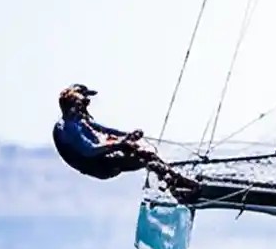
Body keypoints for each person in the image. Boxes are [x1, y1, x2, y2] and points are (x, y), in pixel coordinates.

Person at [51, 84, 199, 197]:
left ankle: (174, 182)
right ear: (74, 103)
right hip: (99, 166)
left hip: (102, 160)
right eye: (84, 100)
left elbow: (103, 130)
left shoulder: (79, 120)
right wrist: (119, 144)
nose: (87, 103)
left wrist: (128, 136)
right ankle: (179, 183)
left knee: (144, 154)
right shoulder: (67, 127)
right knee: (144, 158)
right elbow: (89, 150)